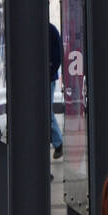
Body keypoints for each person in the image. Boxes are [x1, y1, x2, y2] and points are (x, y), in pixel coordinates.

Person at [49, 21, 63, 160]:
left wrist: (50, 72)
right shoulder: (51, 30)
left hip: (48, 79)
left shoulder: (50, 30)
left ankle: (58, 142)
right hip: (49, 77)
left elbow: (58, 56)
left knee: (47, 112)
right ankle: (57, 142)